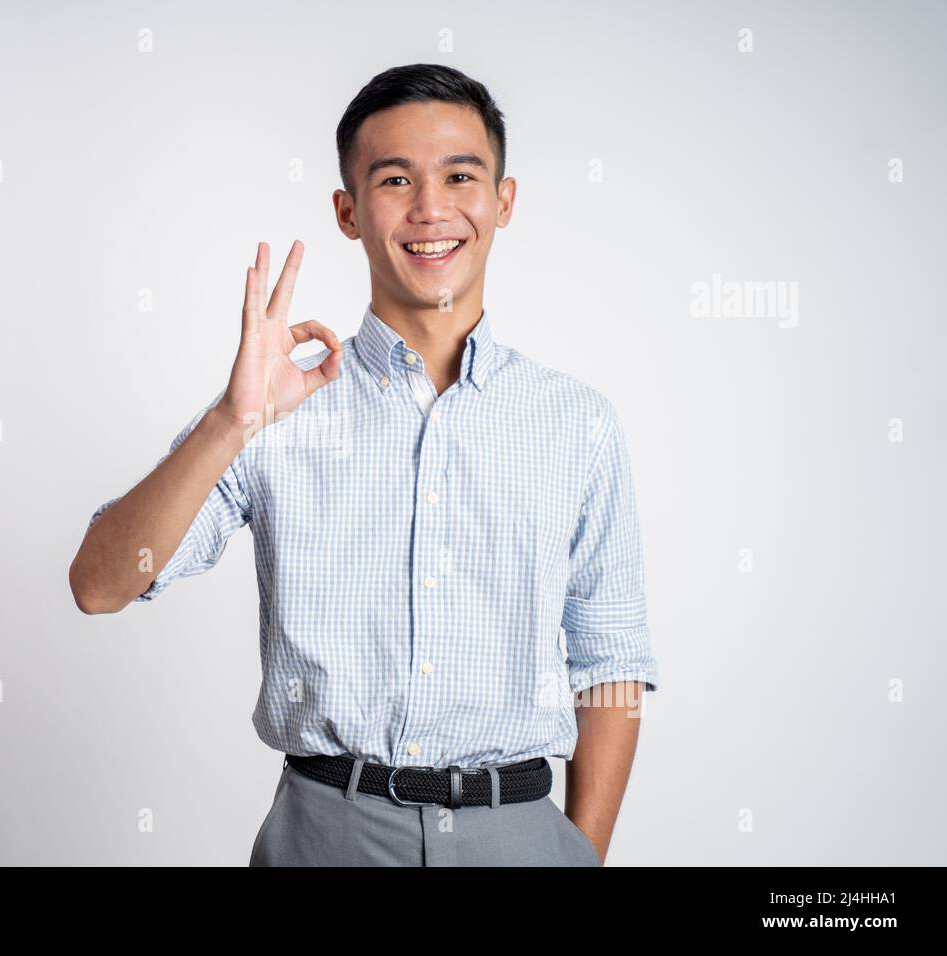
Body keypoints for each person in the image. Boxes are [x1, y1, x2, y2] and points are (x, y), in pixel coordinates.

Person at [69, 63, 659, 867]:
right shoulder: (275, 409)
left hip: (520, 836)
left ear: (504, 200)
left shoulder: (577, 423)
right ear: (348, 211)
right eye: (394, 179)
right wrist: (231, 422)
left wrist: (580, 856)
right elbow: (100, 585)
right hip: (327, 834)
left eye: (460, 175)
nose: (431, 208)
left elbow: (612, 668)